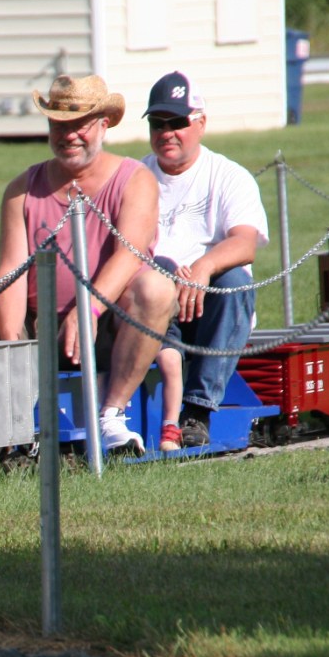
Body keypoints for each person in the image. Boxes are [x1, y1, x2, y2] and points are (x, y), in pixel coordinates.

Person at [0, 73, 170, 455]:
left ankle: (111, 413)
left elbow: (130, 256)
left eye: (79, 124)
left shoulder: (135, 179)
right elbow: (11, 270)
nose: (68, 135)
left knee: (156, 289)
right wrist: (11, 345)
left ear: (103, 125)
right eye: (58, 124)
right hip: (36, 323)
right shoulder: (22, 188)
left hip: (105, 322)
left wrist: (86, 310)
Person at [139, 71, 268, 452]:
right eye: (158, 123)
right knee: (158, 268)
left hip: (209, 310)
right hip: (151, 306)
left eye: (177, 122)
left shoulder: (228, 176)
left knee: (234, 282)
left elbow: (245, 243)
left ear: (201, 122)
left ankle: (197, 411)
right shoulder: (135, 178)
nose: (167, 133)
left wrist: (202, 268)